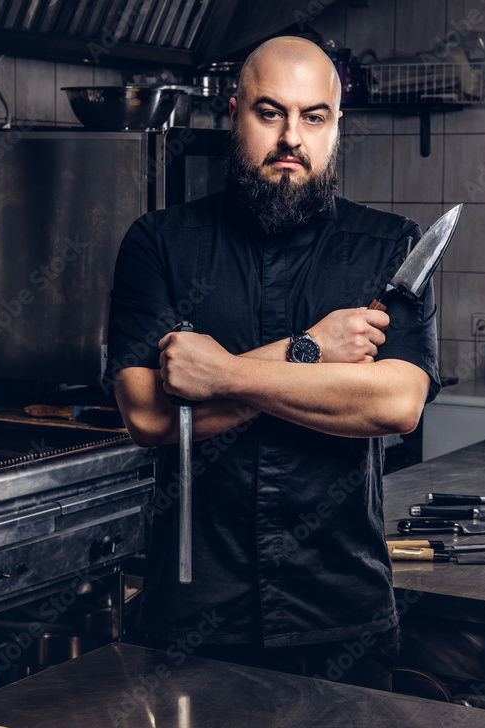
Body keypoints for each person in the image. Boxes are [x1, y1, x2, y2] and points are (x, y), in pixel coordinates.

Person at [105, 36, 440, 691]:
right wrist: (310, 354)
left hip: (341, 613)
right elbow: (147, 410)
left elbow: (396, 403)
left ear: (337, 126)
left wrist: (220, 375)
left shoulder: (388, 247)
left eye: (314, 116)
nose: (292, 136)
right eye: (269, 113)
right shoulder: (159, 242)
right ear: (233, 115)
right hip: (193, 617)